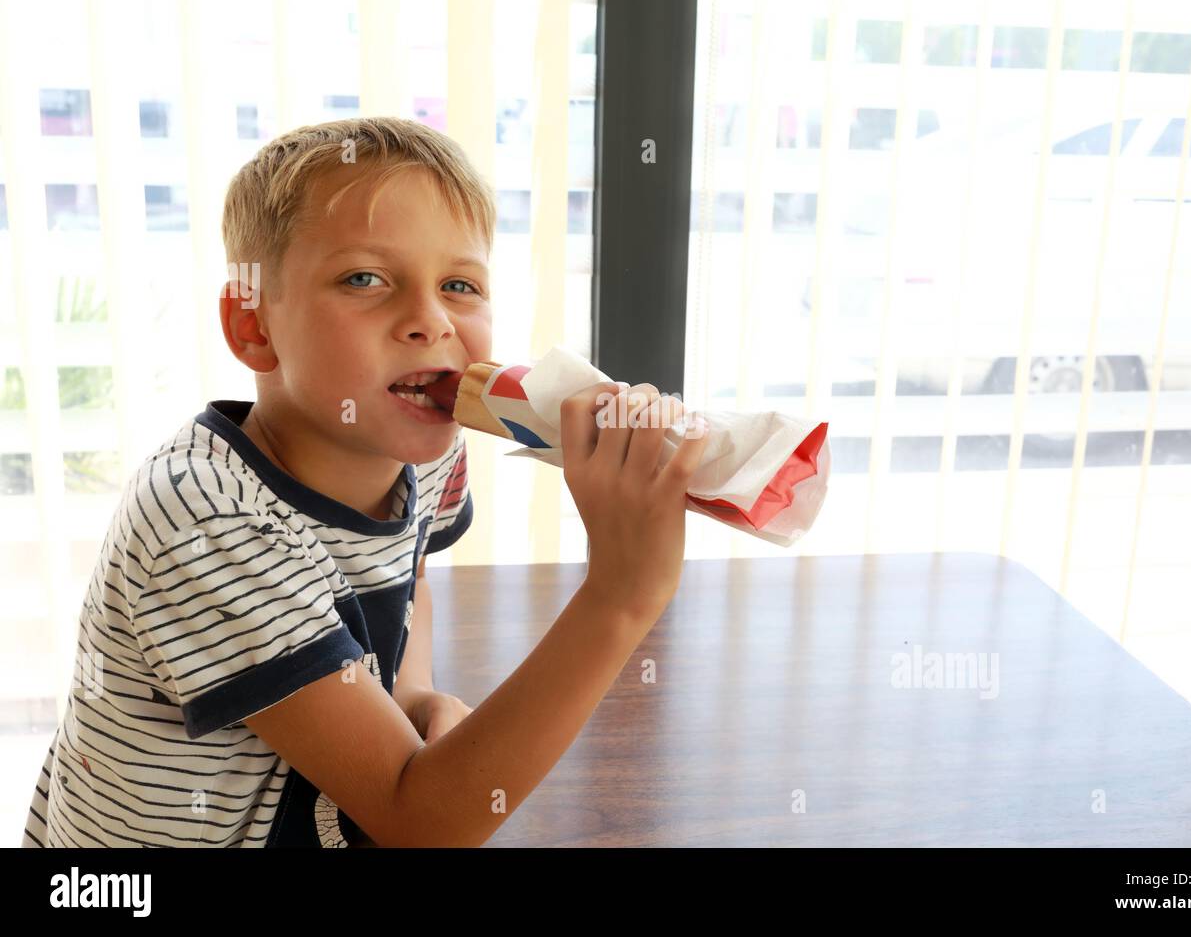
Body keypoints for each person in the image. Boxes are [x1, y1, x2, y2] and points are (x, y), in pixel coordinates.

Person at [22, 116, 709, 847]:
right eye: (365, 279)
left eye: (459, 283)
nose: (430, 319)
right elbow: (423, 822)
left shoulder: (420, 441)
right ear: (253, 325)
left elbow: (407, 577)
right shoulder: (206, 522)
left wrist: (410, 697)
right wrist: (622, 595)